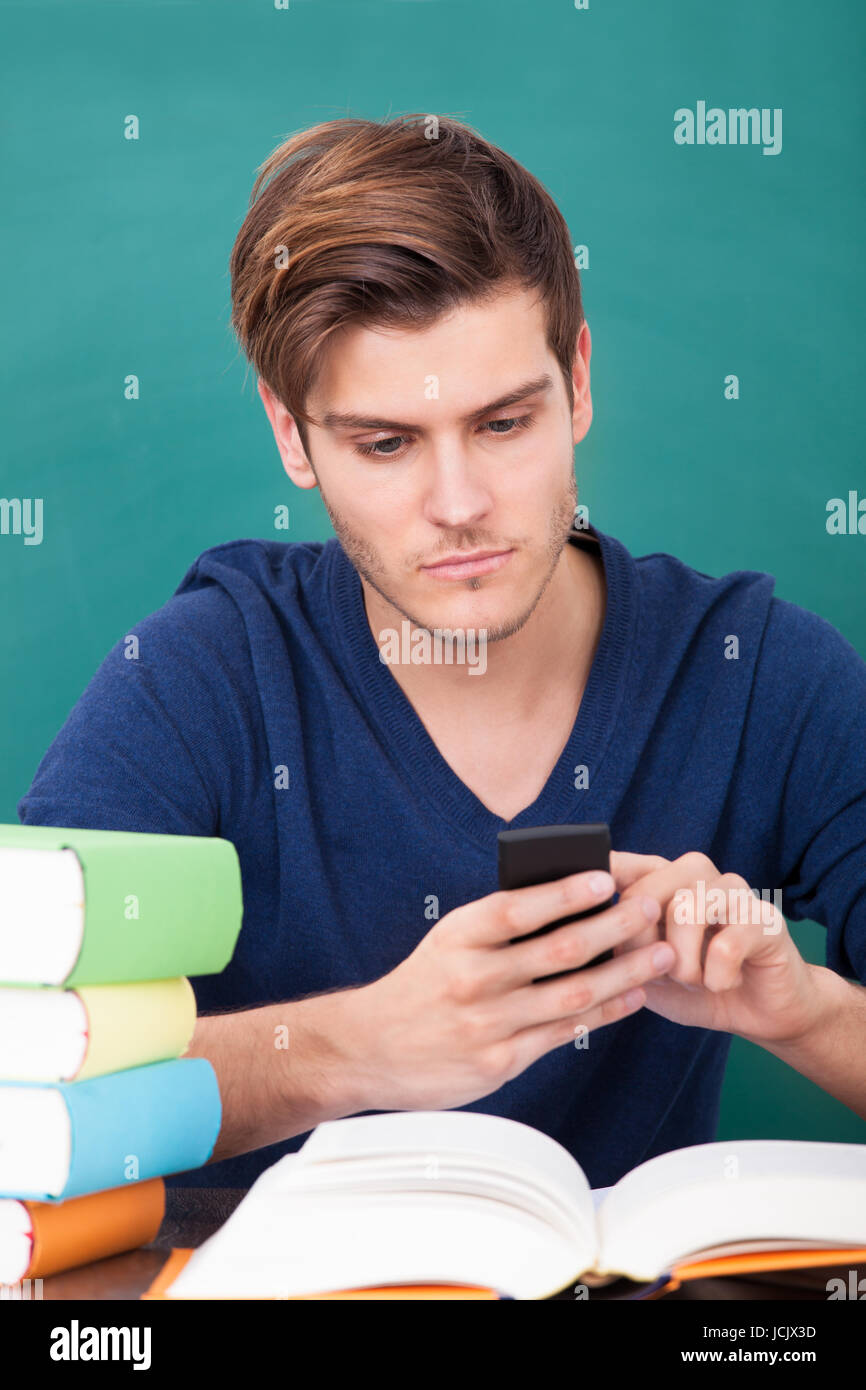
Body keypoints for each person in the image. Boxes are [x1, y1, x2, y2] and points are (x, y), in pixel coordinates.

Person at [18, 114, 866, 1192]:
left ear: (578, 379)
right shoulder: (202, 678)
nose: (458, 506)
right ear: (292, 436)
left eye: (504, 424)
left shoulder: (760, 677)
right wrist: (355, 1048)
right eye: (384, 444)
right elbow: (26, 1078)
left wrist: (801, 1011)